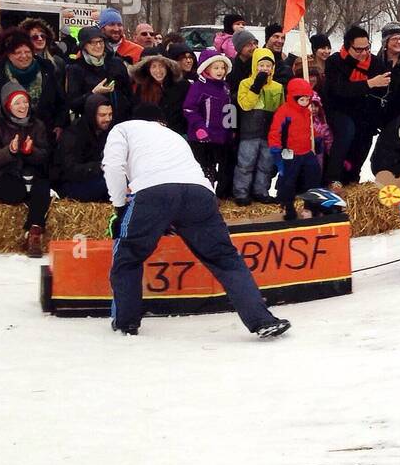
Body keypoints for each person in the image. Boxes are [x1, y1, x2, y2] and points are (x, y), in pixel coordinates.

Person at [103, 103, 290, 338]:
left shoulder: (122, 129)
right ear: (160, 121)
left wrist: (120, 206)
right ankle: (262, 319)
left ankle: (126, 322)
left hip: (153, 192)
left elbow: (112, 167)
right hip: (198, 193)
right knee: (226, 258)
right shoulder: (173, 135)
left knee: (128, 257)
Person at [0, 82, 53, 257]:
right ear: (8, 105)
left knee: (42, 189)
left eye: (25, 102)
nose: (23, 106)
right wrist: (10, 151)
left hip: (29, 174)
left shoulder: (37, 125)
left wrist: (31, 152)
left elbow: (44, 155)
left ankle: (34, 232)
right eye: (17, 103)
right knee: (16, 192)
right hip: (2, 174)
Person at [324, 26, 391, 188]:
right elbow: (340, 89)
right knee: (346, 131)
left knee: (365, 138)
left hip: (364, 112)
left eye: (367, 48)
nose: (364, 53)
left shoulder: (375, 62)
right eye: (358, 49)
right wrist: (369, 84)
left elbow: (384, 87)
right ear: (348, 47)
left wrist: (377, 86)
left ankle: (353, 180)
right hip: (339, 109)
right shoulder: (335, 62)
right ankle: (333, 178)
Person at [269, 77, 331, 221]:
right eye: (302, 100)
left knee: (314, 176)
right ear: (293, 97)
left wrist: (316, 138)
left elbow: (309, 128)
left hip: (306, 151)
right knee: (288, 180)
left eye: (307, 99)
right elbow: (275, 131)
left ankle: (311, 207)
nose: (305, 103)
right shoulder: (284, 112)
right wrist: (275, 148)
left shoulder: (306, 111)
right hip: (290, 152)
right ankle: (287, 207)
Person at [0, 28, 67, 135]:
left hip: (43, 132)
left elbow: (61, 102)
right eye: (18, 52)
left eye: (27, 51)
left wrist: (59, 124)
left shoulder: (46, 70)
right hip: (8, 133)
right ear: (9, 55)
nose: (24, 56)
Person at [233, 47, 284, 205]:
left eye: (268, 66)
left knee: (266, 164)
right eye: (261, 65)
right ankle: (241, 192)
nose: (265, 69)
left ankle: (261, 191)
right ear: (255, 65)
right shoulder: (245, 83)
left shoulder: (277, 87)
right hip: (249, 131)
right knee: (245, 164)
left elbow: (281, 110)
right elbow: (245, 105)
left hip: (268, 133)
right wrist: (256, 86)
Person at [183, 48, 234, 193]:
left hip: (220, 136)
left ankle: (219, 194)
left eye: (222, 67)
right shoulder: (198, 87)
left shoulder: (225, 87)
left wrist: (232, 129)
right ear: (206, 69)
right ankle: (205, 194)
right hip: (202, 137)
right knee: (205, 168)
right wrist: (199, 127)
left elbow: (230, 108)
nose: (220, 71)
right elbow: (189, 109)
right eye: (216, 68)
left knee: (222, 167)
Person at [65, 25, 133, 122]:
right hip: (92, 125)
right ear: (84, 45)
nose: (98, 46)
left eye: (100, 41)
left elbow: (129, 93)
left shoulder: (116, 63)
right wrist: (94, 93)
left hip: (120, 120)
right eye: (93, 42)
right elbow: (74, 104)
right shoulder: (76, 68)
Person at [54, 95, 114, 201]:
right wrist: (99, 167)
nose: (108, 119)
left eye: (110, 114)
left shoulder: (106, 131)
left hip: (96, 178)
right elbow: (69, 169)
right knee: (112, 185)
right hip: (72, 185)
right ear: (91, 114)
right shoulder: (73, 134)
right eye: (102, 115)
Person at [130, 54, 189, 134]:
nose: (158, 70)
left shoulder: (182, 85)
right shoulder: (142, 88)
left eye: (161, 66)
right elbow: (138, 112)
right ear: (148, 69)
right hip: (151, 133)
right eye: (153, 66)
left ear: (167, 67)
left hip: (177, 133)